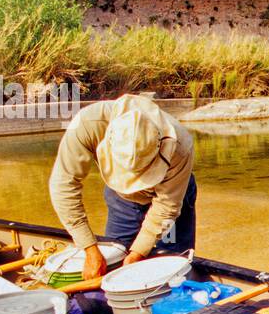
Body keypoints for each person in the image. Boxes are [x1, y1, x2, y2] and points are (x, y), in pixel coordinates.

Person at [48, 93, 196, 279]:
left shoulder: (180, 145)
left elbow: (167, 207)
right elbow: (63, 187)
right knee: (115, 259)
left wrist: (138, 253)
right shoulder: (86, 125)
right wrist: (89, 248)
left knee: (171, 266)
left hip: (170, 201)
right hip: (122, 202)